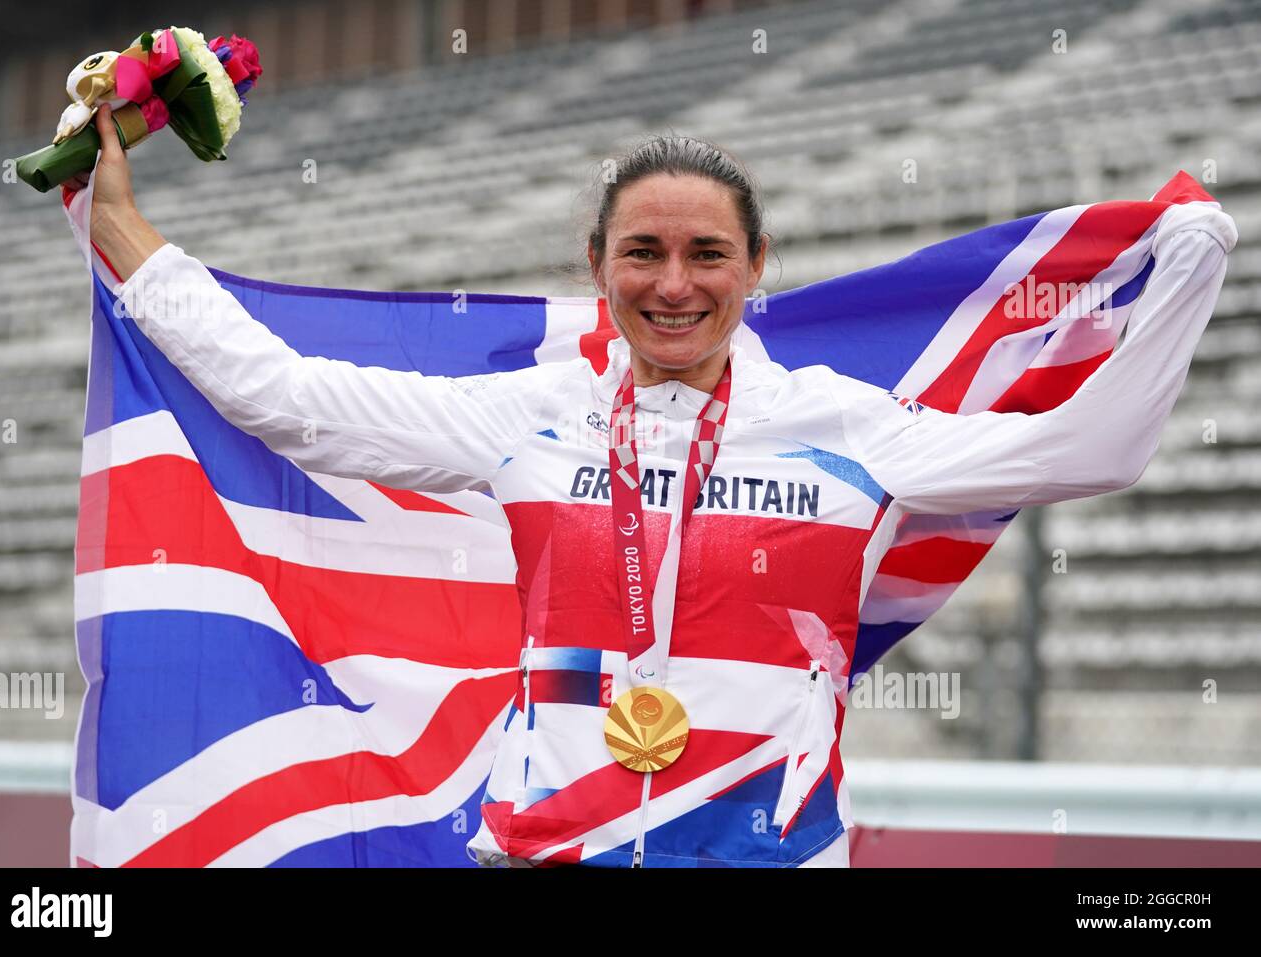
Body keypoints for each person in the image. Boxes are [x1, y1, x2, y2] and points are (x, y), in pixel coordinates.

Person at [70, 104, 1235, 868]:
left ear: (753, 268)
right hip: (543, 854)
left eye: (706, 254)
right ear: (597, 268)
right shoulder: (528, 417)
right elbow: (286, 398)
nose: (673, 284)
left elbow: (1097, 450)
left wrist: (1190, 269)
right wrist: (120, 226)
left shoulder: (847, 426)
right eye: (643, 252)